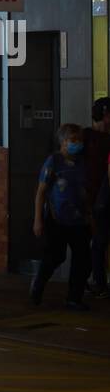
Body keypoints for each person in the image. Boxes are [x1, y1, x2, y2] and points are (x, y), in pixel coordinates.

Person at [31, 123, 92, 310]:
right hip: (57, 218)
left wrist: (90, 215)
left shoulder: (82, 163)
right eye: (73, 140)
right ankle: (37, 287)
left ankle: (74, 299)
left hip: (79, 220)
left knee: (83, 259)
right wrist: (38, 220)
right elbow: (41, 192)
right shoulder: (54, 162)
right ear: (63, 142)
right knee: (55, 256)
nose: (78, 144)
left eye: (80, 140)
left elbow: (84, 191)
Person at [84, 97, 110, 297]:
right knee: (93, 243)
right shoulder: (85, 138)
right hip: (88, 199)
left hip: (103, 198)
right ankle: (94, 281)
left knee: (99, 242)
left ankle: (98, 282)